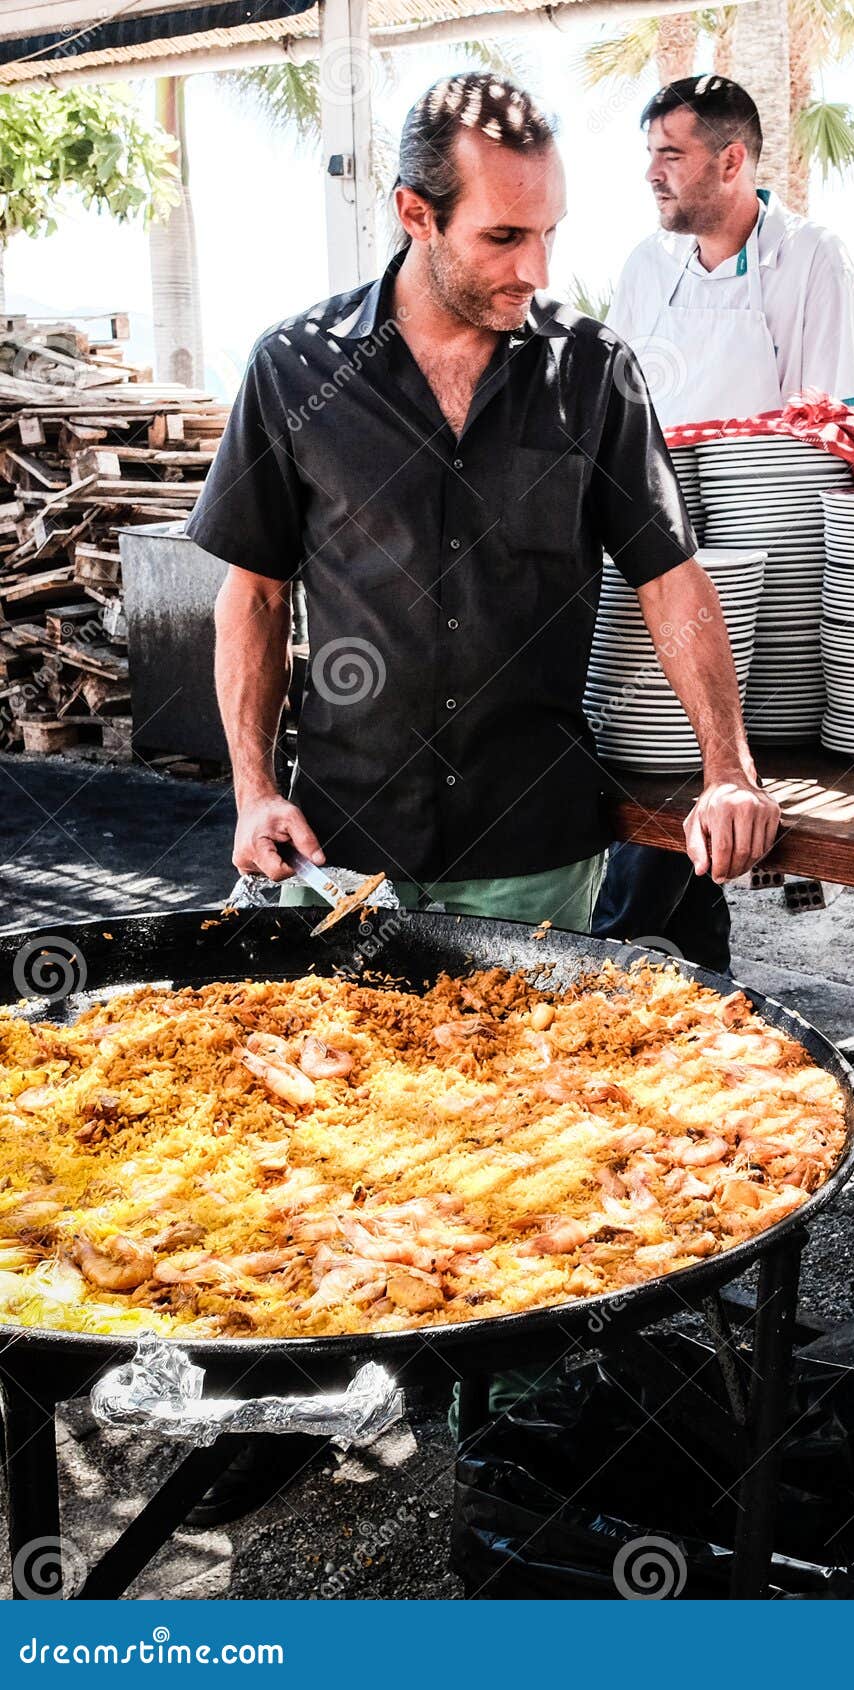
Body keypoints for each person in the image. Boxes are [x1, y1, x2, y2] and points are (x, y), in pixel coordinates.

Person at [186, 71, 779, 1522]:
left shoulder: (591, 373)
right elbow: (252, 597)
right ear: (414, 213)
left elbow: (671, 579)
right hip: (354, 847)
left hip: (533, 845)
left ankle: (517, 1450)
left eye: (550, 236)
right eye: (505, 239)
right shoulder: (295, 370)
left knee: (529, 1153)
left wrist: (728, 763)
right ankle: (349, 1385)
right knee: (353, 1136)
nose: (536, 270)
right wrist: (253, 788)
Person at [592, 74, 854, 971]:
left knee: (690, 786)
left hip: (776, 571)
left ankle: (630, 969)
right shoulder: (647, 265)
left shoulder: (813, 259)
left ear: (732, 158)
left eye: (670, 156)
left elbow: (838, 428)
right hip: (661, 560)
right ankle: (688, 978)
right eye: (649, 156)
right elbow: (617, 409)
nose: (653, 175)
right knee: (661, 771)